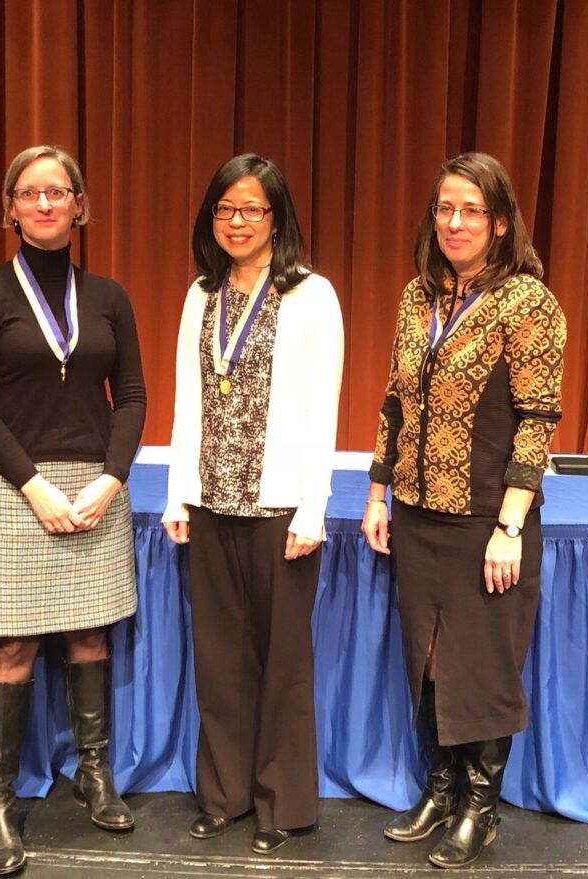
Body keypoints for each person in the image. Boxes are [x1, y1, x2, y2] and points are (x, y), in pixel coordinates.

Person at [362, 152, 566, 869]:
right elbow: (393, 399)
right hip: (418, 513)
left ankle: (482, 808)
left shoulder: (529, 303)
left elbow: (539, 419)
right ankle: (440, 788)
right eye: (445, 208)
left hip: (488, 519)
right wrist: (377, 492)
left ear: (500, 222)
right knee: (430, 660)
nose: (454, 222)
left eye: (471, 210)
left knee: (480, 665)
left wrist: (511, 524)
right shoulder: (418, 296)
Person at [0, 145, 146, 875]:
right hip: (13, 488)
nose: (43, 204)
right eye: (29, 193)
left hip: (95, 484)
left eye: (56, 192)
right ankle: (0, 802)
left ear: (79, 205)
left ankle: (95, 775)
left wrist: (112, 478)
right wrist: (33, 484)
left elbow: (130, 397)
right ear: (10, 209)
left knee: (89, 632)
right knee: (13, 647)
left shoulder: (109, 297)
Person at [162, 154, 344, 855]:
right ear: (212, 218)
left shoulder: (310, 295)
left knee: (282, 663)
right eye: (225, 209)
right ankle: (224, 795)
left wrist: (311, 507)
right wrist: (179, 491)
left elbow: (322, 408)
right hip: (210, 501)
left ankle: (281, 806)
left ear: (277, 218)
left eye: (252, 209)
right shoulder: (200, 294)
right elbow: (188, 399)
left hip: (278, 509)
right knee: (220, 660)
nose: (237, 222)